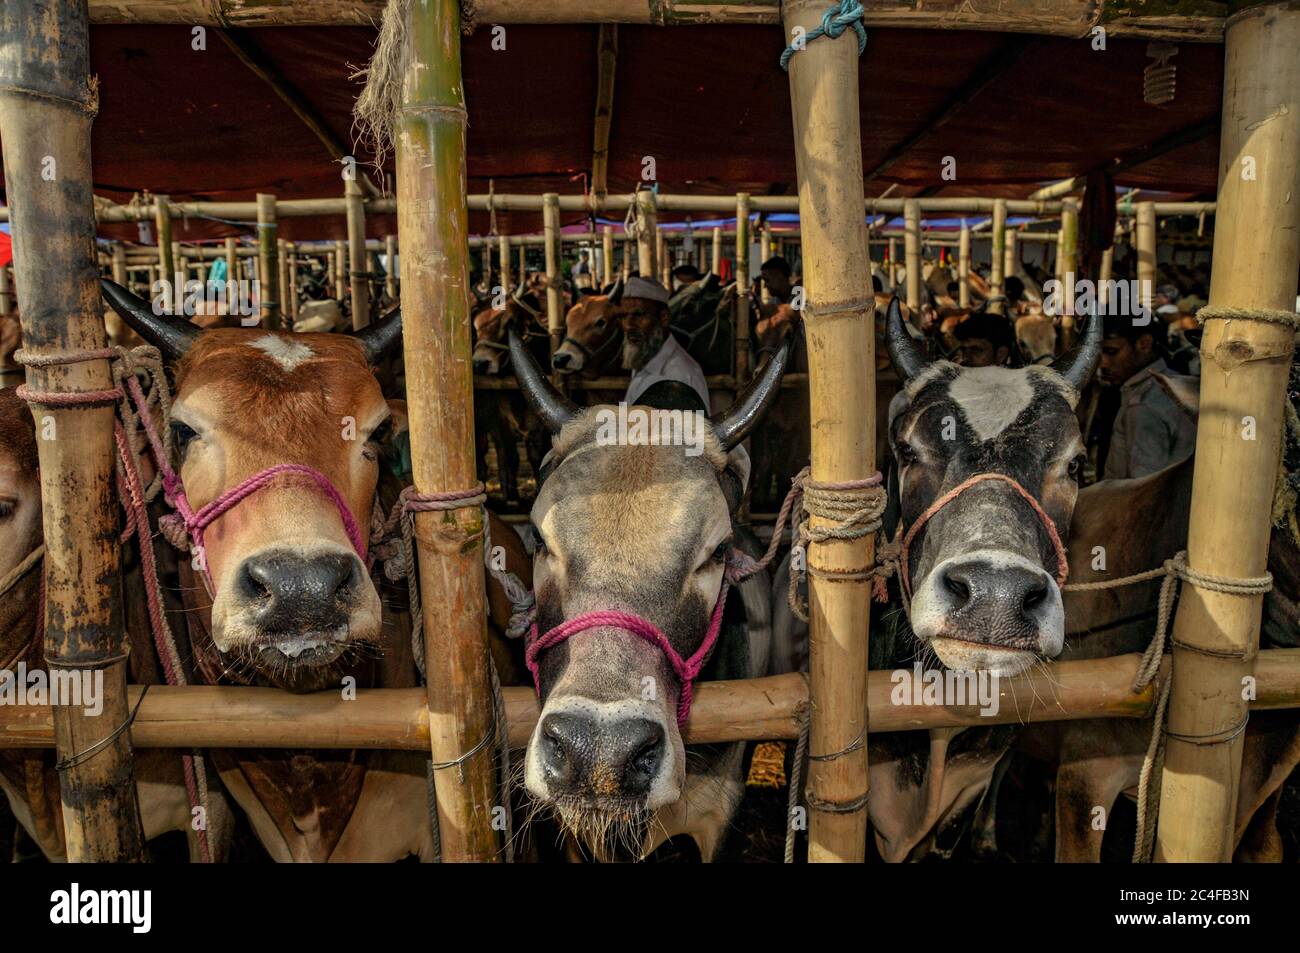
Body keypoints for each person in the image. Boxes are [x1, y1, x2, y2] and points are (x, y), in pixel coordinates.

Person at [1098, 310, 1197, 480]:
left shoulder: (1144, 405)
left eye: (1112, 351)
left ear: (1144, 344)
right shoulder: (1173, 381)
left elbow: (1143, 487)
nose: (1103, 363)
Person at [619, 275, 712, 412]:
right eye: (624, 316)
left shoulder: (681, 375)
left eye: (638, 315)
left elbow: (694, 432)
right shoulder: (642, 360)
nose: (628, 325)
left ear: (664, 317)